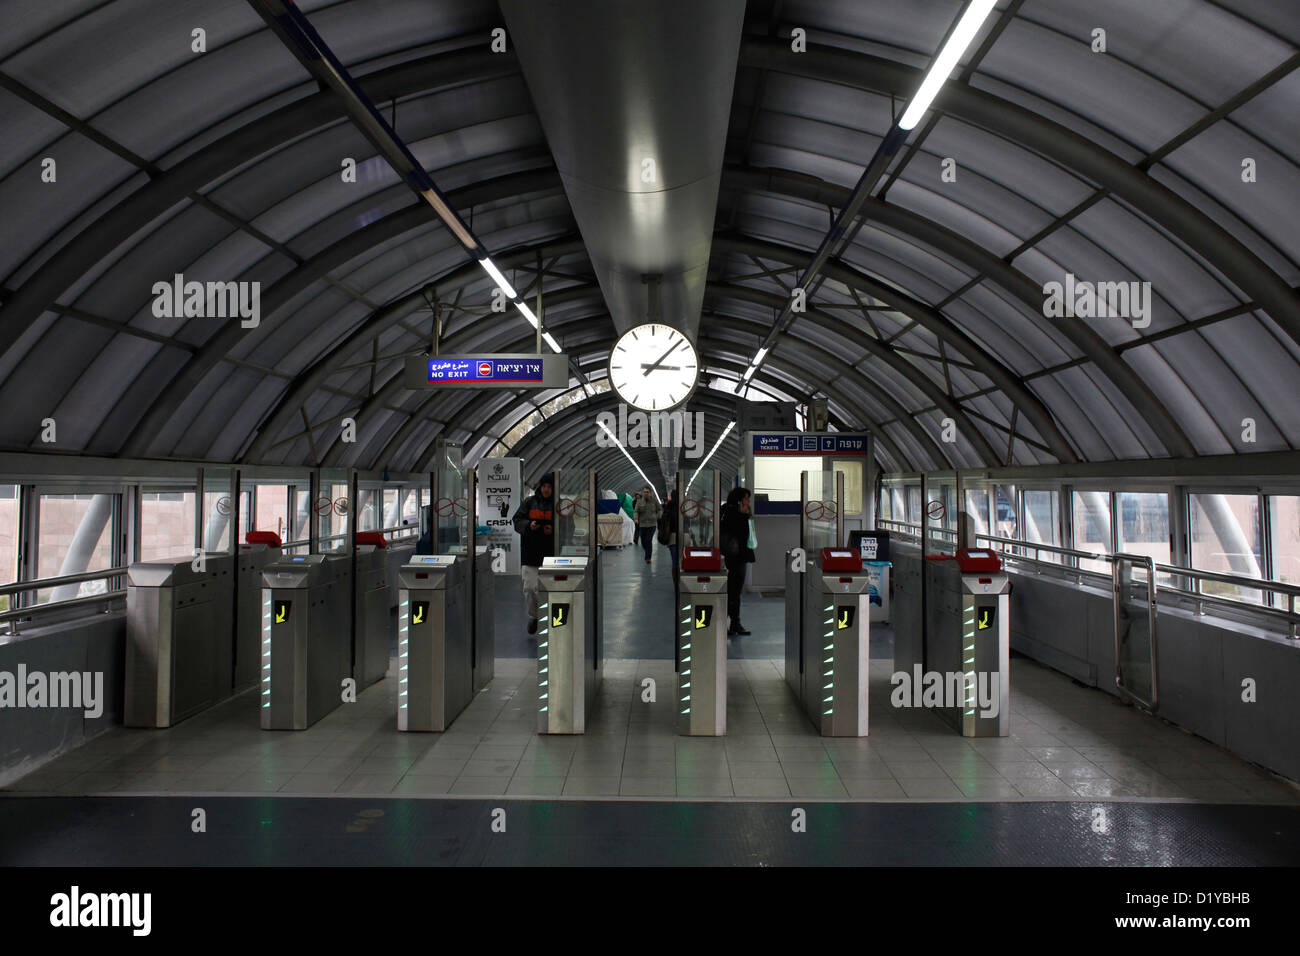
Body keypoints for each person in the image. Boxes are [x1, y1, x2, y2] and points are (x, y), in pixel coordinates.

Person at [512, 472, 555, 635]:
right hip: (530, 554)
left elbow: (567, 526)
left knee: (550, 589)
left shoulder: (558, 505)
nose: (546, 490)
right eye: (544, 486)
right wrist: (529, 525)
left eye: (549, 487)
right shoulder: (529, 502)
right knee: (529, 588)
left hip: (551, 555)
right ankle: (534, 616)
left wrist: (554, 529)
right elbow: (516, 521)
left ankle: (551, 617)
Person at [719, 486, 755, 637]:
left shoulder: (726, 510)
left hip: (734, 554)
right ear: (740, 499)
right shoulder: (734, 513)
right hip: (736, 555)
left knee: (734, 591)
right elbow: (743, 532)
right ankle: (733, 623)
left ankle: (732, 623)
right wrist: (745, 515)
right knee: (734, 591)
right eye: (747, 498)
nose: (749, 501)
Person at [633, 485, 662, 563]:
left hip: (652, 524)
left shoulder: (654, 501)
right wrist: (636, 519)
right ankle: (648, 551)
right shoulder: (639, 501)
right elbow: (636, 511)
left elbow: (659, 510)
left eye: (647, 492)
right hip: (642, 524)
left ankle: (648, 557)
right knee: (643, 541)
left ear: (650, 493)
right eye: (644, 492)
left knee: (648, 540)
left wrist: (657, 517)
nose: (646, 493)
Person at [665, 487, 680, 582]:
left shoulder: (668, 507)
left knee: (674, 561)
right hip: (683, 535)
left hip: (672, 537)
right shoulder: (683, 506)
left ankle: (675, 582)